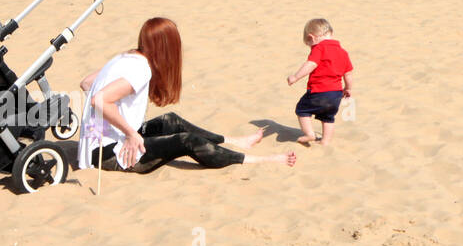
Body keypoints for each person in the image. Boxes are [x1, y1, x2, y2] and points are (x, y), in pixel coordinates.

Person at [78, 17, 295, 173]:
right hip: (110, 155)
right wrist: (129, 133)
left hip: (93, 148)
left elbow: (87, 83)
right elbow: (100, 100)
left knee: (170, 121)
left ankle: (234, 141)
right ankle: (256, 160)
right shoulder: (141, 69)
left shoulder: (125, 57)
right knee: (187, 141)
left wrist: (108, 125)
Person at [286, 18, 354, 147]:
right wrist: (348, 88)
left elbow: (311, 64)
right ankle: (325, 141)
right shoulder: (343, 52)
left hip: (319, 91)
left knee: (302, 109)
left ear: (312, 38)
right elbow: (348, 74)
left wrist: (295, 77)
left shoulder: (319, 48)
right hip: (336, 94)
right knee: (328, 117)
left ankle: (309, 134)